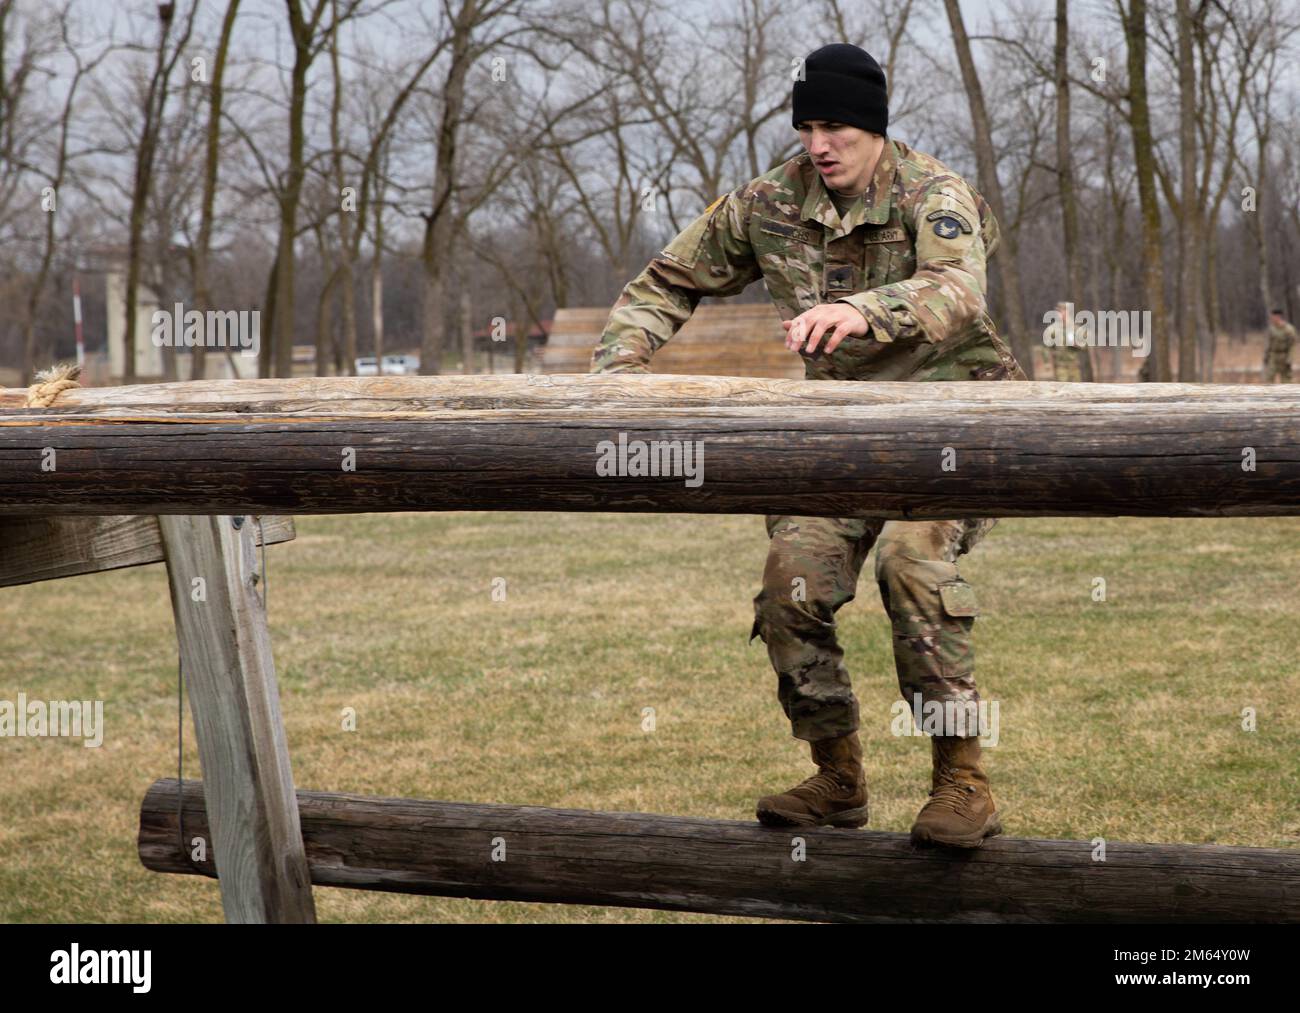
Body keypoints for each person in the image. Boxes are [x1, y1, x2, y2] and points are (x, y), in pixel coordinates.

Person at [590, 43, 1025, 848]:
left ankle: (963, 777)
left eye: (836, 128)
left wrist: (865, 311)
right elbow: (669, 280)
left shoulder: (933, 192)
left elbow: (960, 290)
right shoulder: (769, 202)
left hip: (952, 432)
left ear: (874, 128)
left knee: (911, 564)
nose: (819, 144)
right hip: (838, 438)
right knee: (790, 581)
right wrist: (616, 375)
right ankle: (839, 774)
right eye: (807, 127)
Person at [1263, 309, 1295, 383]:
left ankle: (1286, 394)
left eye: (1273, 317)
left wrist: (1290, 358)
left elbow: (1292, 345)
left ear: (1278, 316)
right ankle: (1269, 394)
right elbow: (1269, 344)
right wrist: (1266, 356)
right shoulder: (1271, 329)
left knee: (1286, 380)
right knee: (1269, 379)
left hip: (1284, 356)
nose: (1272, 319)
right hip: (1273, 356)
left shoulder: (1289, 329)